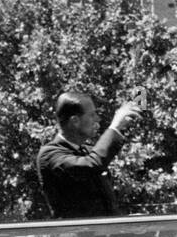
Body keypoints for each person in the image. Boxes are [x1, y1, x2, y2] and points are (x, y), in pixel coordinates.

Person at [37, 91, 140, 219]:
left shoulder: (87, 151)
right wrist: (114, 127)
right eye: (92, 115)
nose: (97, 119)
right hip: (76, 236)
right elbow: (91, 165)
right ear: (75, 121)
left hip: (102, 236)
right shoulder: (50, 154)